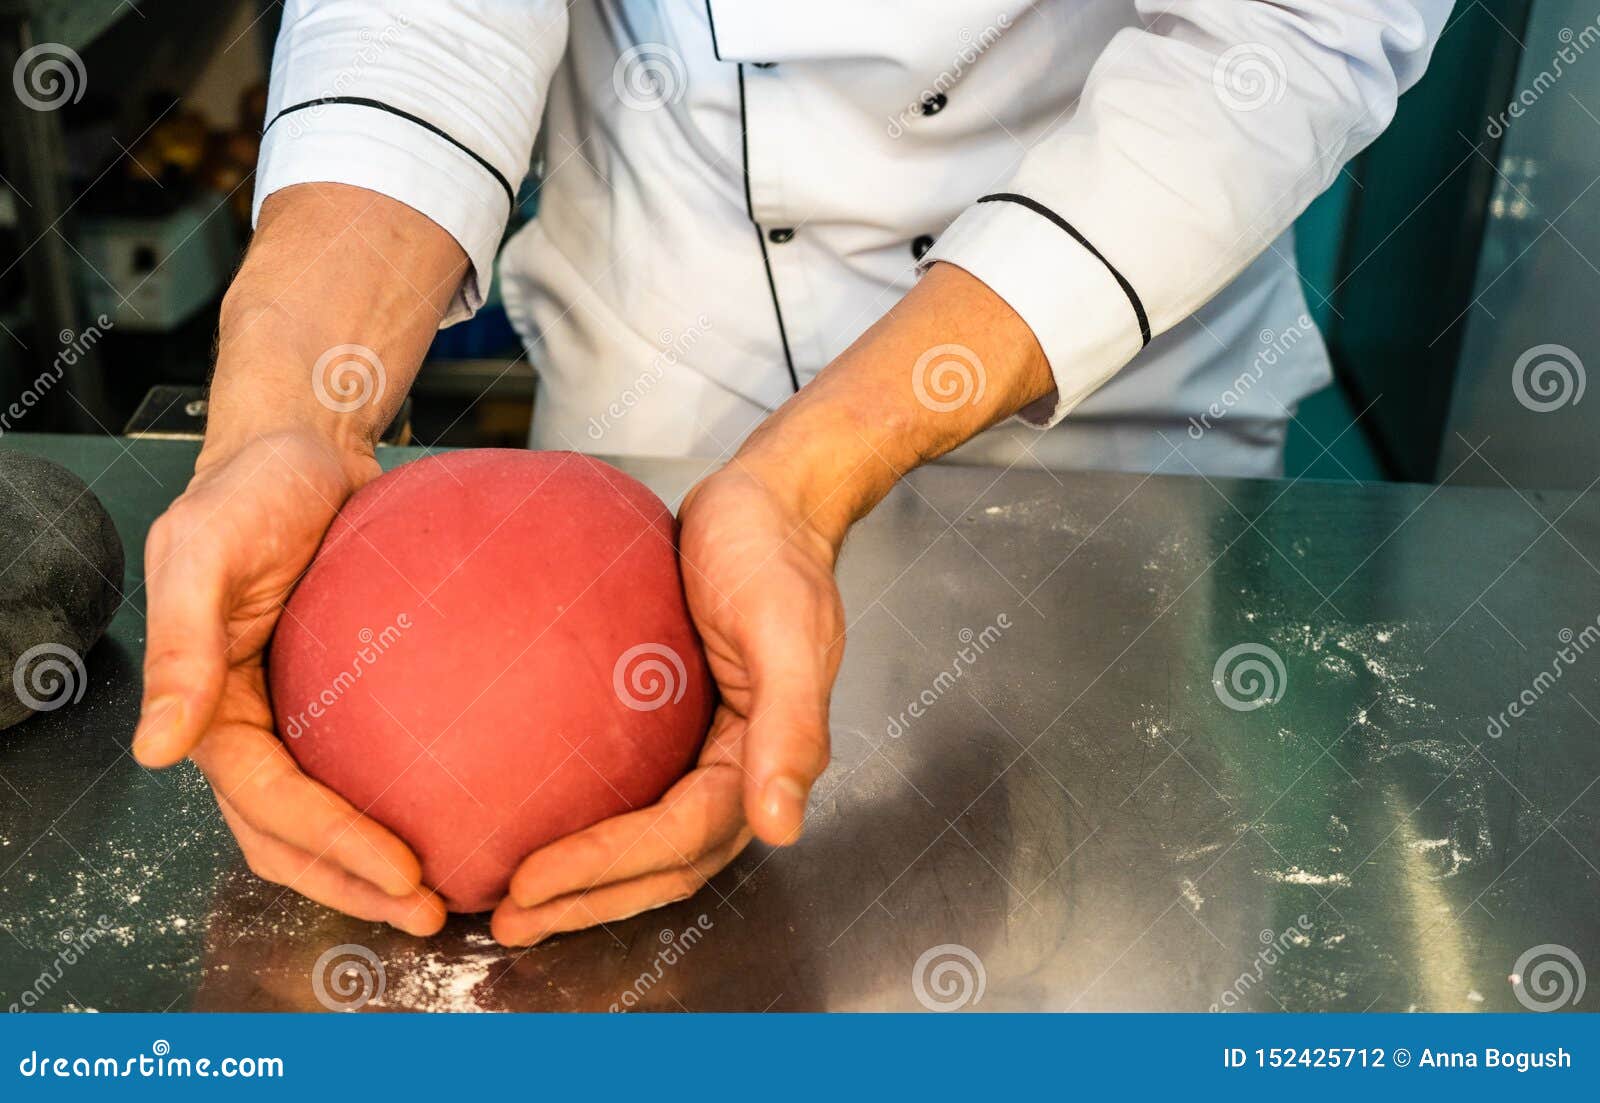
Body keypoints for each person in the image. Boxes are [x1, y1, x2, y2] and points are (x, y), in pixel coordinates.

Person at [130, 0, 1448, 945]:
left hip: (1091, 393)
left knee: (1081, 928)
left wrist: (810, 473)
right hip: (666, 376)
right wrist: (287, 416)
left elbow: (1290, 33)